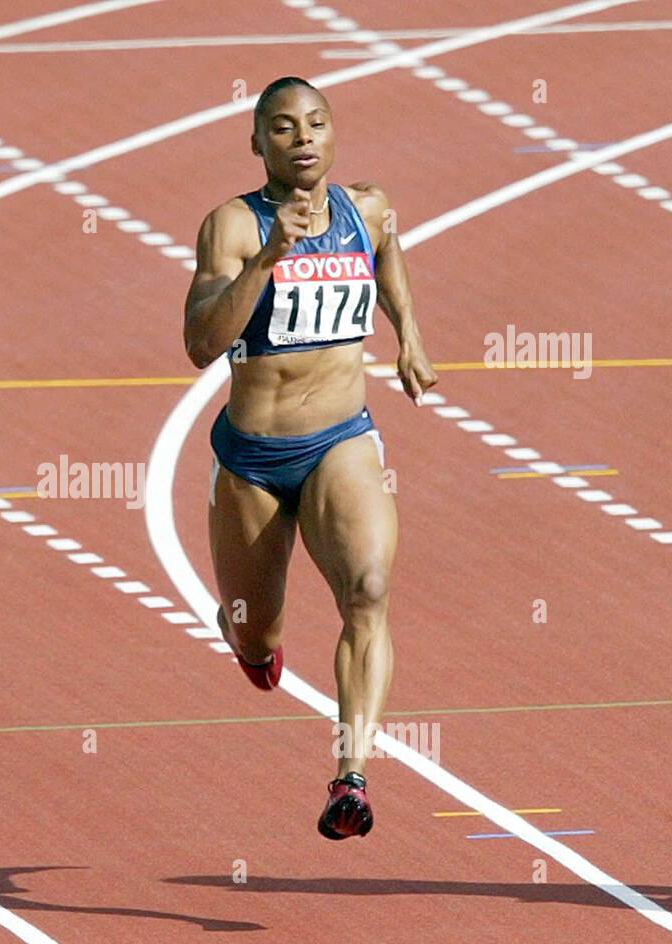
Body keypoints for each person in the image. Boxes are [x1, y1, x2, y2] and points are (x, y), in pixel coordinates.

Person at [183, 76, 437, 840]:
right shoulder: (231, 226)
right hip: (254, 459)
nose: (303, 138)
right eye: (284, 127)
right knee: (255, 631)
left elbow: (387, 253)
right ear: (257, 144)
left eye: (316, 124)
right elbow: (200, 344)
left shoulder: (368, 209)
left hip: (340, 439)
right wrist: (270, 256)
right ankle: (252, 646)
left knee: (368, 587)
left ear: (333, 136)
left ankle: (350, 777)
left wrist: (409, 332)